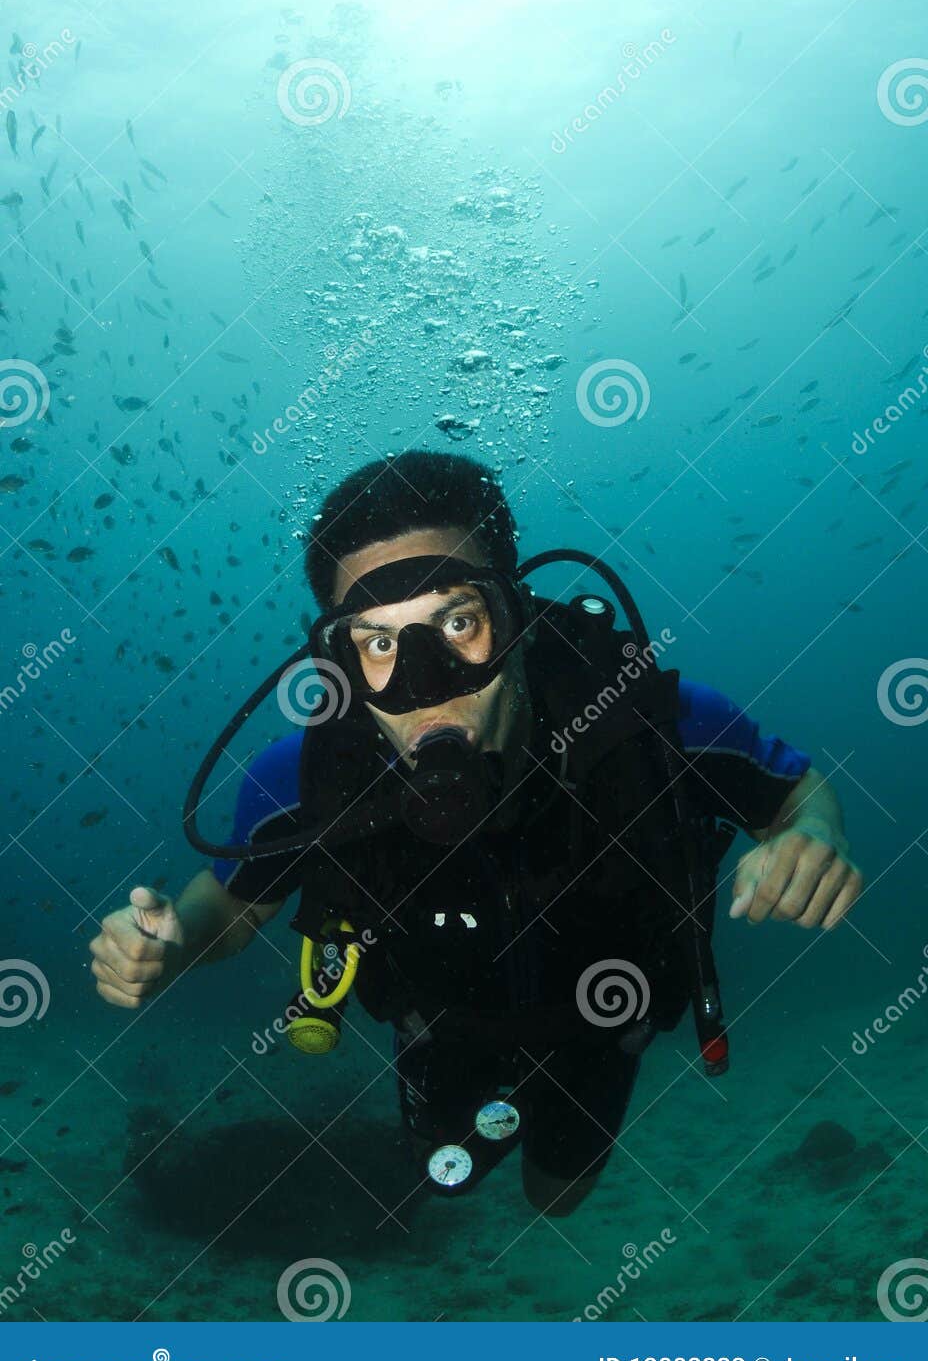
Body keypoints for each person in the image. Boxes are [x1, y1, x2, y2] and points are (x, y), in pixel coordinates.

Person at [90, 451, 862, 1217]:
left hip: (604, 1030)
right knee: (438, 1179)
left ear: (516, 615)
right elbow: (230, 907)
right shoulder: (307, 779)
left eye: (459, 621)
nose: (427, 686)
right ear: (339, 657)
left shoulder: (649, 725)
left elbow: (794, 796)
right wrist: (169, 941)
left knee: (556, 1199)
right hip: (442, 1028)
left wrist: (814, 834)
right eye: (381, 643)